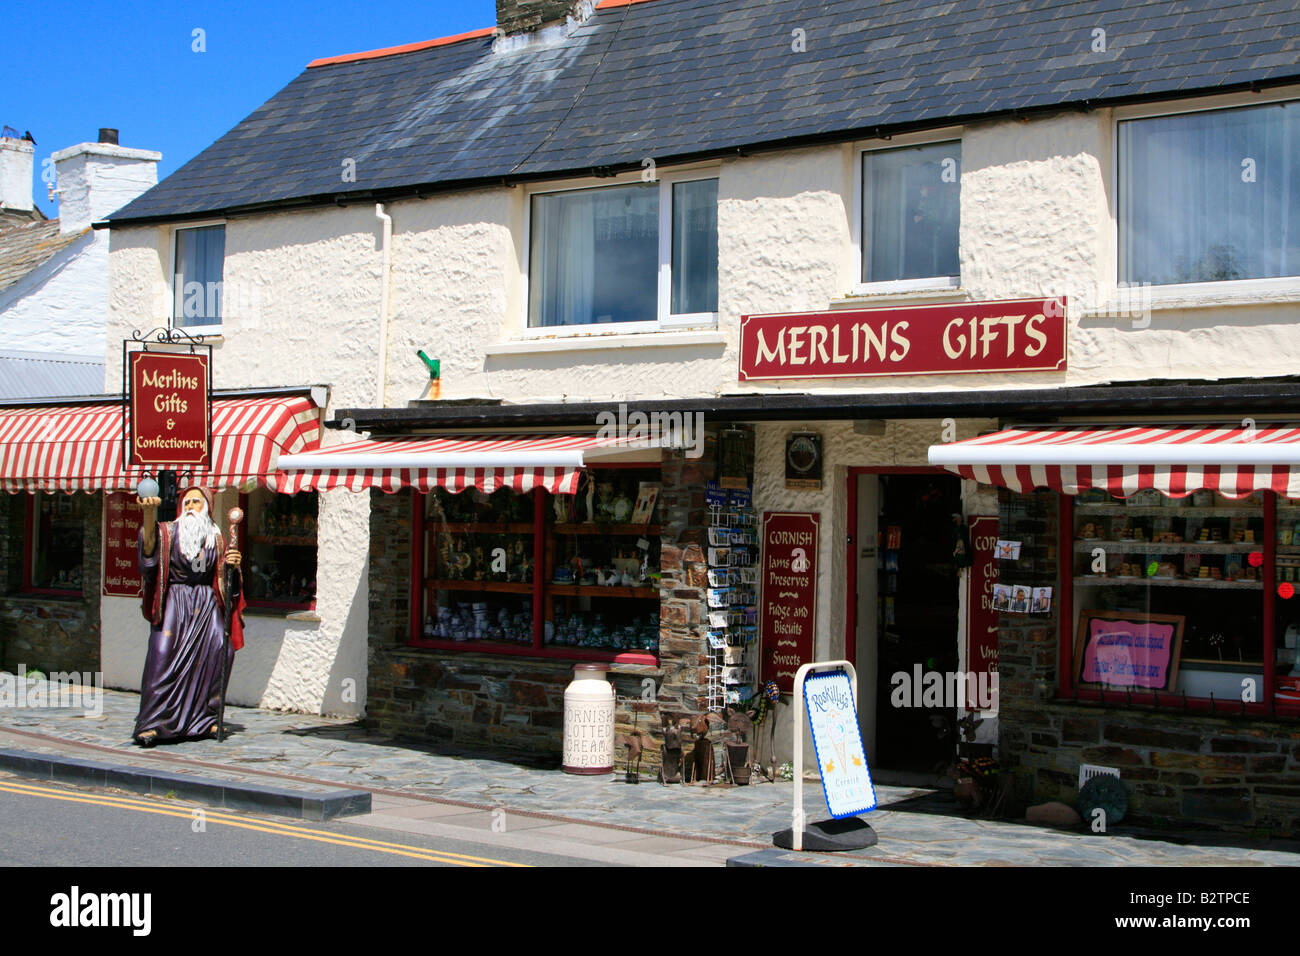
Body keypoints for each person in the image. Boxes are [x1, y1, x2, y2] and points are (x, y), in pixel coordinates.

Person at [133, 486, 245, 746]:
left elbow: (227, 582)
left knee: (221, 649)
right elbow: (148, 555)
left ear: (207, 507)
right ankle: (153, 723)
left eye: (196, 501)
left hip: (206, 604)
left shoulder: (216, 538)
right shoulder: (168, 532)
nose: (191, 506)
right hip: (175, 602)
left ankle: (206, 719)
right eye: (187, 502)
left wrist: (232, 565)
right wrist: (149, 515)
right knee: (162, 654)